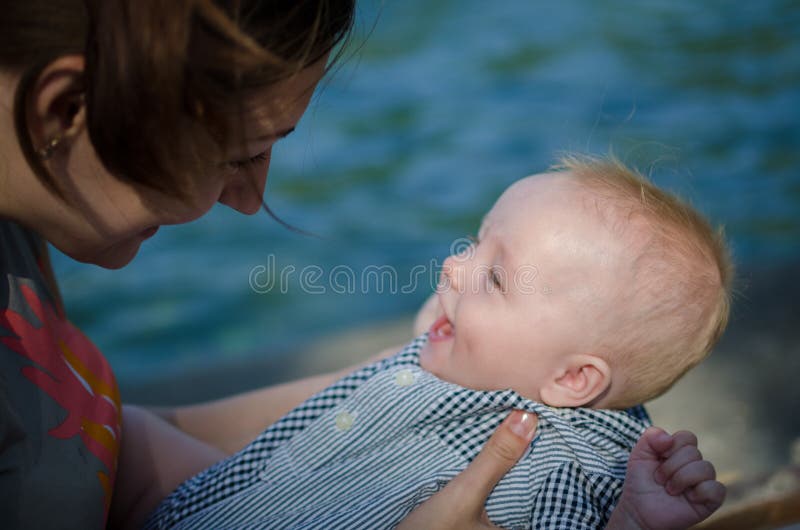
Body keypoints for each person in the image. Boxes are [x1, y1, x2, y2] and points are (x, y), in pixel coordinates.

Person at [0, 1, 723, 529]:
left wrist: (413, 369)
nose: (253, 200)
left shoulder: (21, 227)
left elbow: (118, 438)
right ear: (61, 113)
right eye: (240, 153)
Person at [142, 157, 730, 529]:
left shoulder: (552, 465)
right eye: (476, 242)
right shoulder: (484, 361)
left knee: (114, 437)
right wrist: (455, 327)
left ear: (573, 380)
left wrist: (627, 521)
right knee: (120, 429)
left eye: (497, 278)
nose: (454, 266)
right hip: (226, 501)